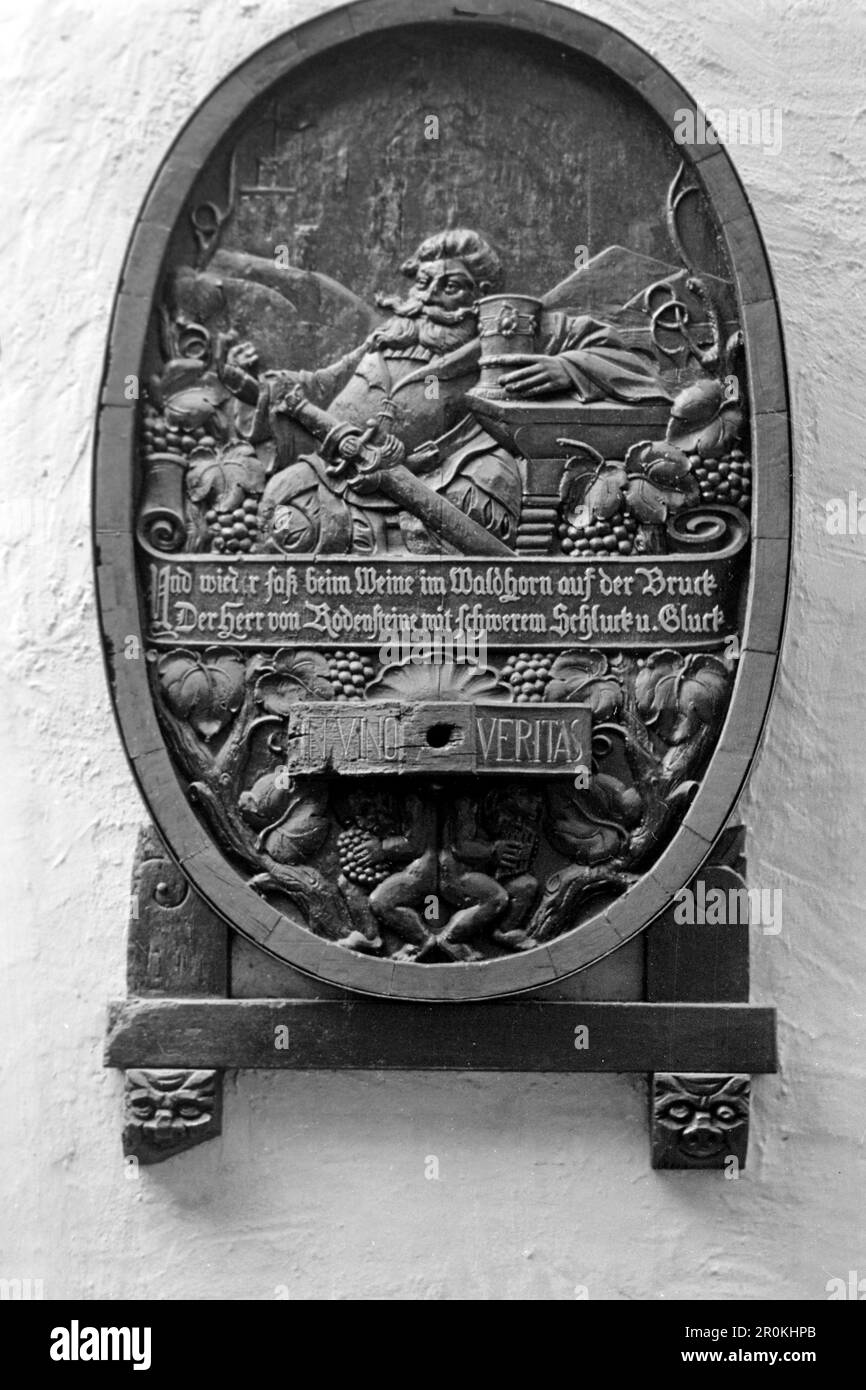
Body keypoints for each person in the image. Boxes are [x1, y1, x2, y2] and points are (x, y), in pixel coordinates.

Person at [221, 228, 671, 555]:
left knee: (479, 521)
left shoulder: (511, 328)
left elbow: (635, 361)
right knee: (280, 505)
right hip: (342, 473)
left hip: (444, 476)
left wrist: (566, 367)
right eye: (424, 282)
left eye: (450, 285)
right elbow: (318, 386)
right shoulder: (391, 335)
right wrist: (249, 389)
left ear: (482, 295)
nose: (431, 295)